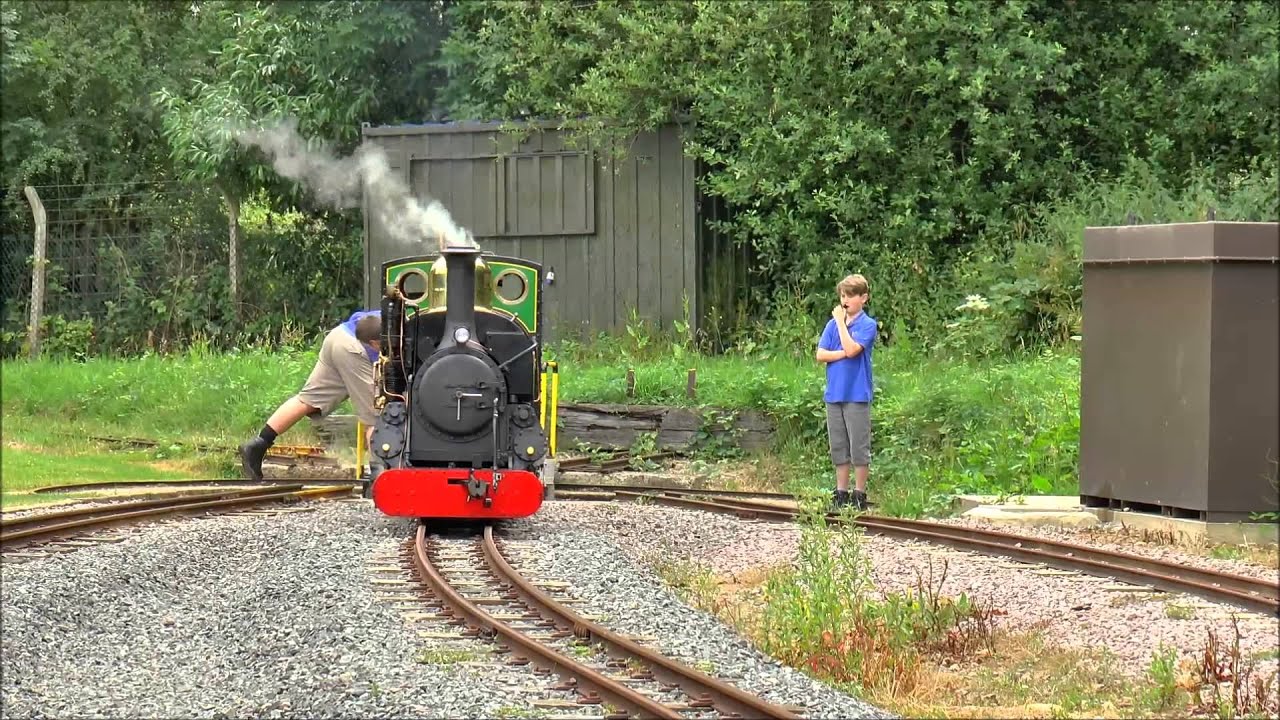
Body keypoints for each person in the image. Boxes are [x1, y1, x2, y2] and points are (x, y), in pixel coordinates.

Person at [239, 310, 382, 482]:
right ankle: (380, 476)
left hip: (339, 335)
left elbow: (359, 319)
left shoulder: (389, 311)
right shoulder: (404, 326)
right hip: (354, 349)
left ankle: (257, 445)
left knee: (308, 399)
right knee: (377, 416)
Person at [815, 274, 878, 510]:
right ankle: (840, 492)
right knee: (839, 446)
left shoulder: (867, 325)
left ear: (863, 298)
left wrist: (842, 324)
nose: (845, 300)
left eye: (850, 296)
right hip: (835, 393)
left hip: (857, 394)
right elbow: (821, 354)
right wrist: (841, 350)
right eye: (843, 295)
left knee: (858, 446)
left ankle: (859, 494)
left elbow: (853, 349)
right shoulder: (832, 325)